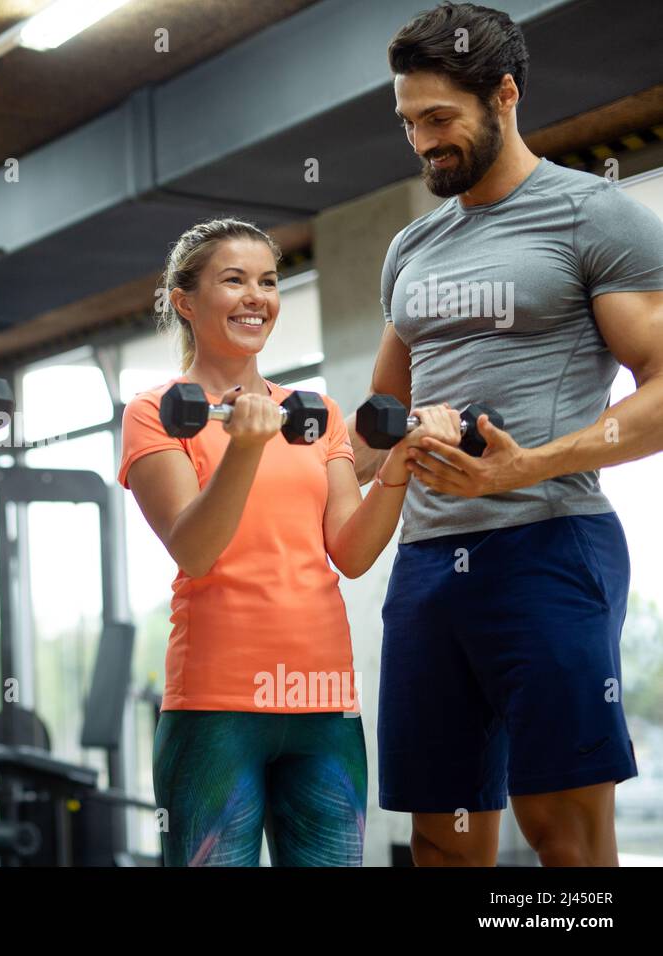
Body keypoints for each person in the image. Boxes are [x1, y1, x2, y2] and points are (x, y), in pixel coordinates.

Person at [358, 2, 663, 866]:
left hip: (550, 547)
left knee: (563, 833)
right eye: (408, 122)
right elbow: (378, 419)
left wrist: (526, 467)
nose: (422, 143)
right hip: (427, 565)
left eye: (440, 119)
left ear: (505, 95)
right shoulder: (411, 247)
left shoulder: (594, 215)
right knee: (443, 840)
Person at [119, 217, 459, 866]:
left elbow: (352, 553)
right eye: (234, 280)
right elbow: (195, 550)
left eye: (269, 281)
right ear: (185, 301)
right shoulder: (157, 411)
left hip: (322, 702)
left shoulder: (317, 413)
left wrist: (399, 465)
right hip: (217, 705)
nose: (258, 296)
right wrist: (244, 447)